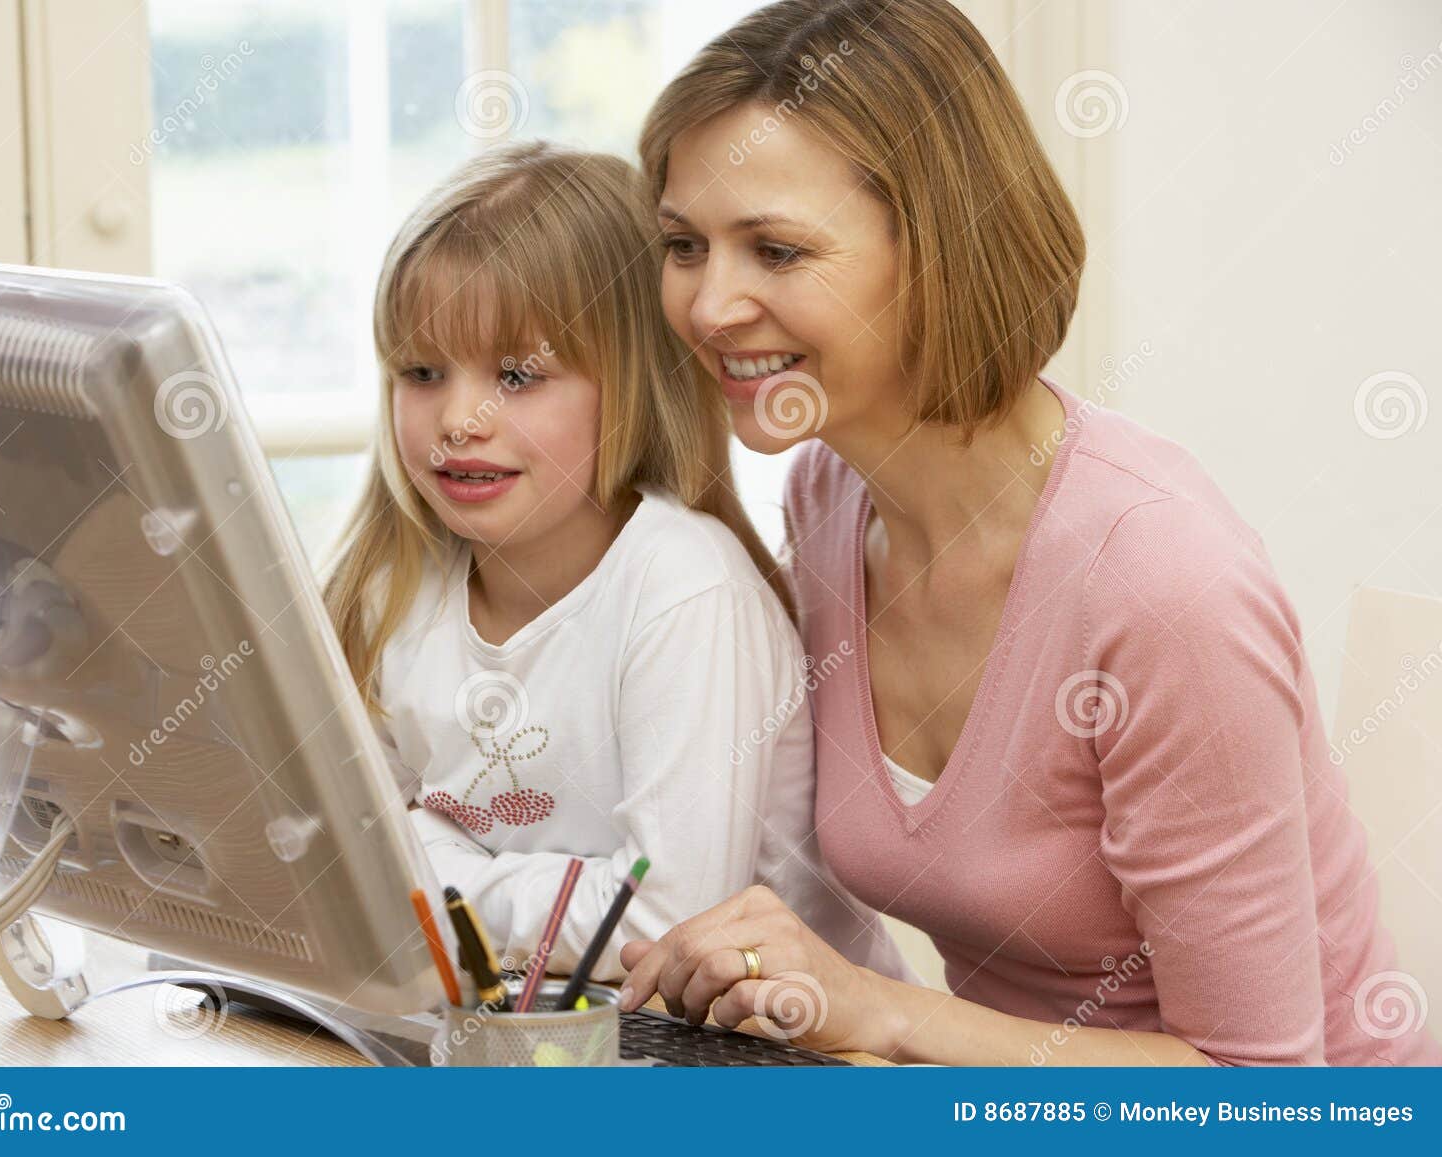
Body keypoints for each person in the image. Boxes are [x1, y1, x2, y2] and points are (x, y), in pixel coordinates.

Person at [619, 0, 1441, 1065]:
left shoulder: (1159, 585)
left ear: (944, 248)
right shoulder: (830, 494)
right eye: (684, 245)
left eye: (775, 250)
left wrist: (878, 1008)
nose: (709, 304)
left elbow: (1259, 1093)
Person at [323, 140, 904, 983]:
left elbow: (664, 919)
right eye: (420, 371)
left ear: (634, 381)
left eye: (518, 375)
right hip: (564, 1026)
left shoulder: (684, 591)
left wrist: (437, 874)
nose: (457, 418)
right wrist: (419, 871)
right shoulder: (397, 590)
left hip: (790, 1059)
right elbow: (339, 860)